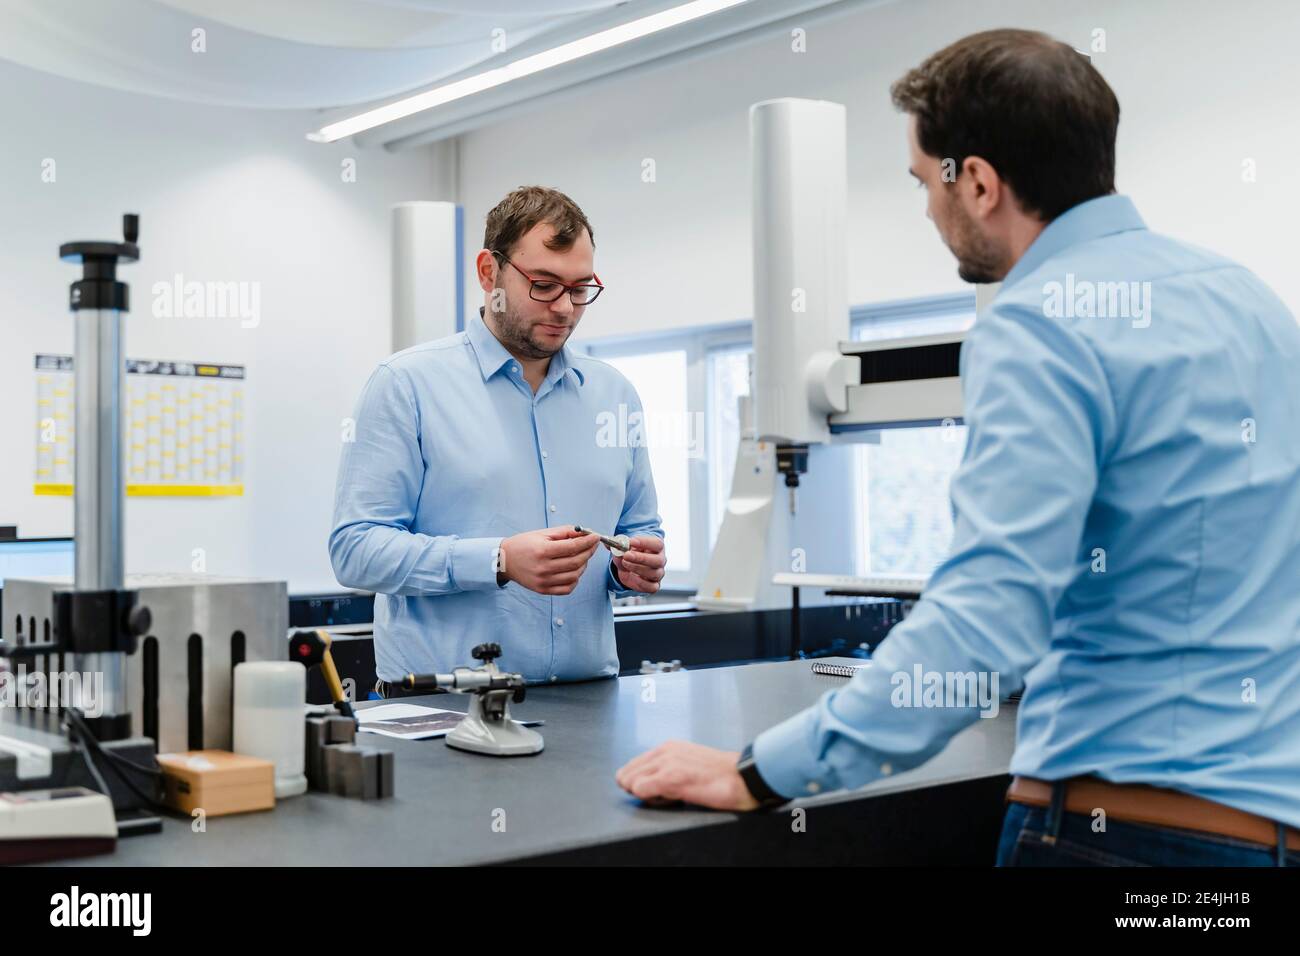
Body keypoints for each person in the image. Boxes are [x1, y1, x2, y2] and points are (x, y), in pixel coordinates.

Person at [616, 29, 1300, 867]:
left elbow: (988, 619)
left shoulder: (1038, 321)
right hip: (1267, 837)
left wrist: (764, 771)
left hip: (1114, 837)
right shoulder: (1255, 306)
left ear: (976, 182)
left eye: (922, 183)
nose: (929, 212)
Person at [331, 186, 665, 691]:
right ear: (490, 272)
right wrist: (499, 560)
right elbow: (356, 550)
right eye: (545, 285)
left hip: (588, 701)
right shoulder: (406, 384)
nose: (565, 309)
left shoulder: (615, 394)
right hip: (441, 705)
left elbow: (641, 526)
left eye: (580, 289)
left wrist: (634, 567)